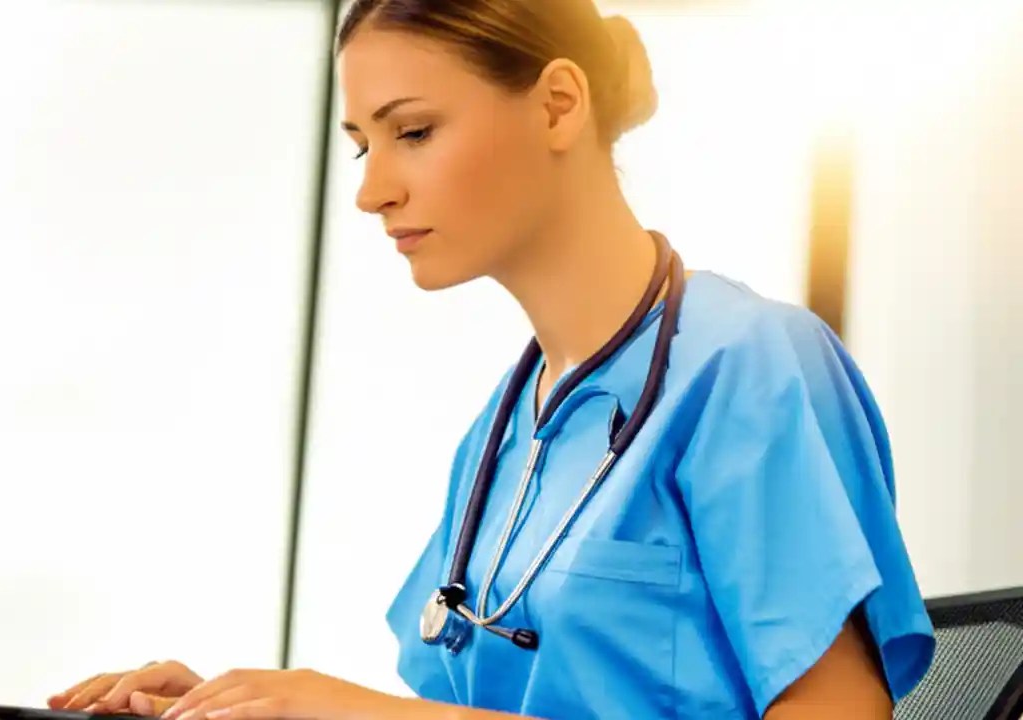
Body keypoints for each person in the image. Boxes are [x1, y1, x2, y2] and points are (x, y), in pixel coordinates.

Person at [46, 1, 935, 718]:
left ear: (558, 104)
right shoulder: (509, 428)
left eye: (415, 131)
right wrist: (237, 706)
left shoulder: (748, 366)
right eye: (362, 143)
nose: (370, 190)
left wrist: (363, 716)